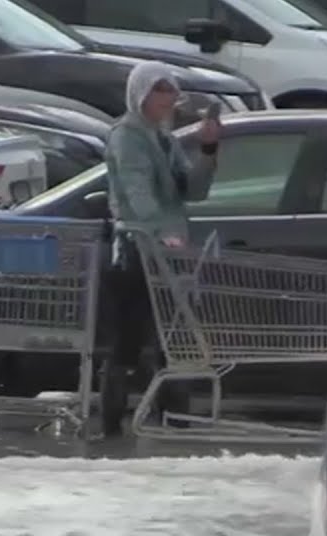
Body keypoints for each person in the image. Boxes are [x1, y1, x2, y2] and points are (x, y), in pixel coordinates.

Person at [100, 61, 221, 435]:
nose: (169, 99)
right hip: (136, 249)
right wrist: (157, 232)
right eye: (161, 91)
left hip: (167, 254)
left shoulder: (164, 139)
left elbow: (193, 190)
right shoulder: (127, 136)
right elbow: (138, 192)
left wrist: (209, 147)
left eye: (171, 91)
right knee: (129, 338)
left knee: (169, 334)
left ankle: (170, 414)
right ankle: (112, 423)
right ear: (142, 94)